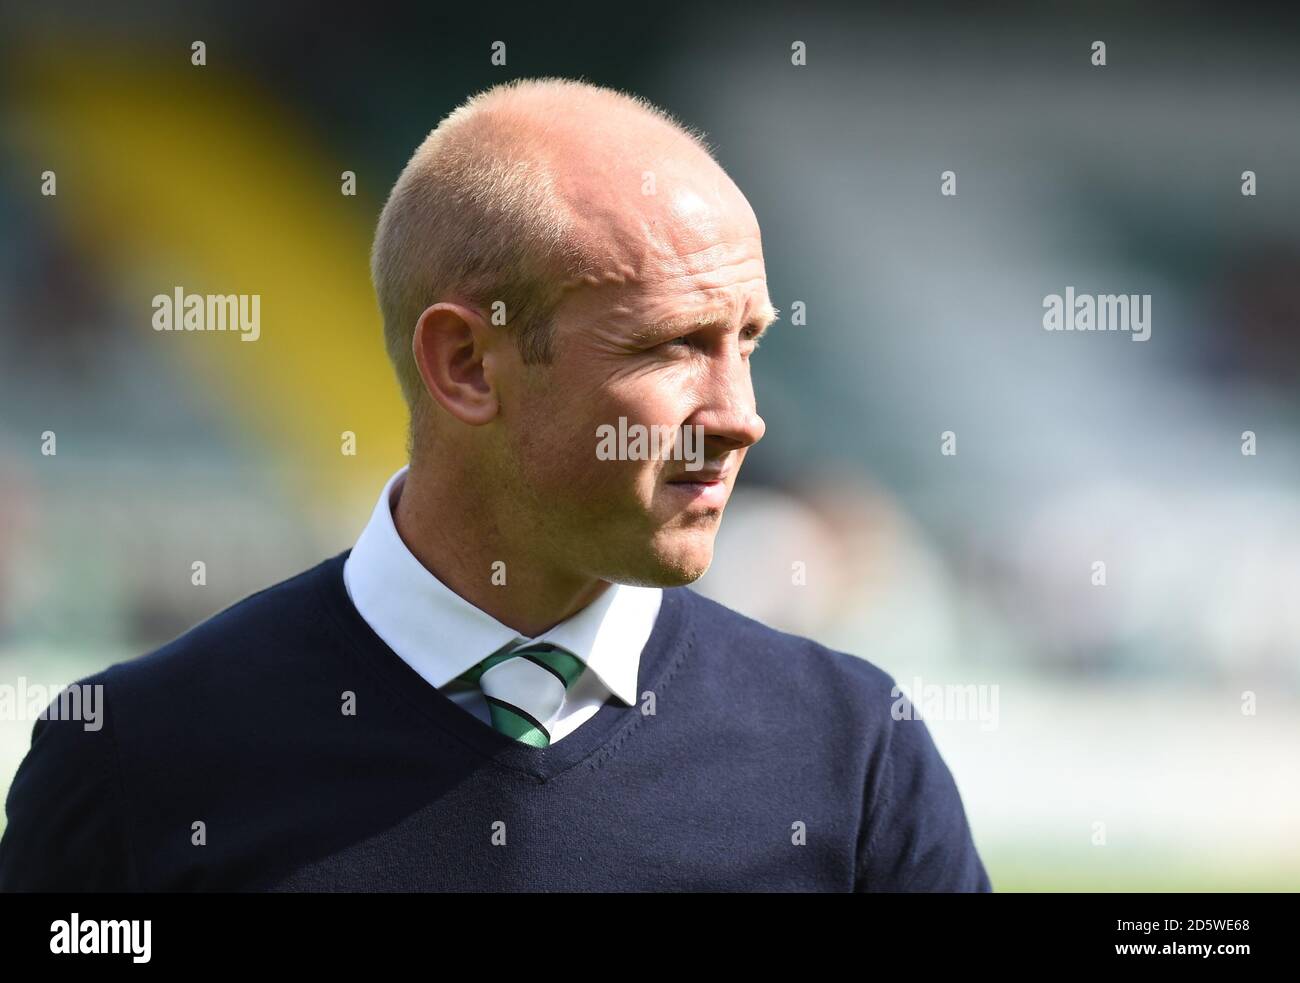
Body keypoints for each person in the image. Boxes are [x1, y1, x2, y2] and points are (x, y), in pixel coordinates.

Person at [0, 77, 990, 891]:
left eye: (748, 342)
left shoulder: (853, 752)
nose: (742, 414)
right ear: (468, 365)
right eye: (675, 345)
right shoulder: (136, 758)